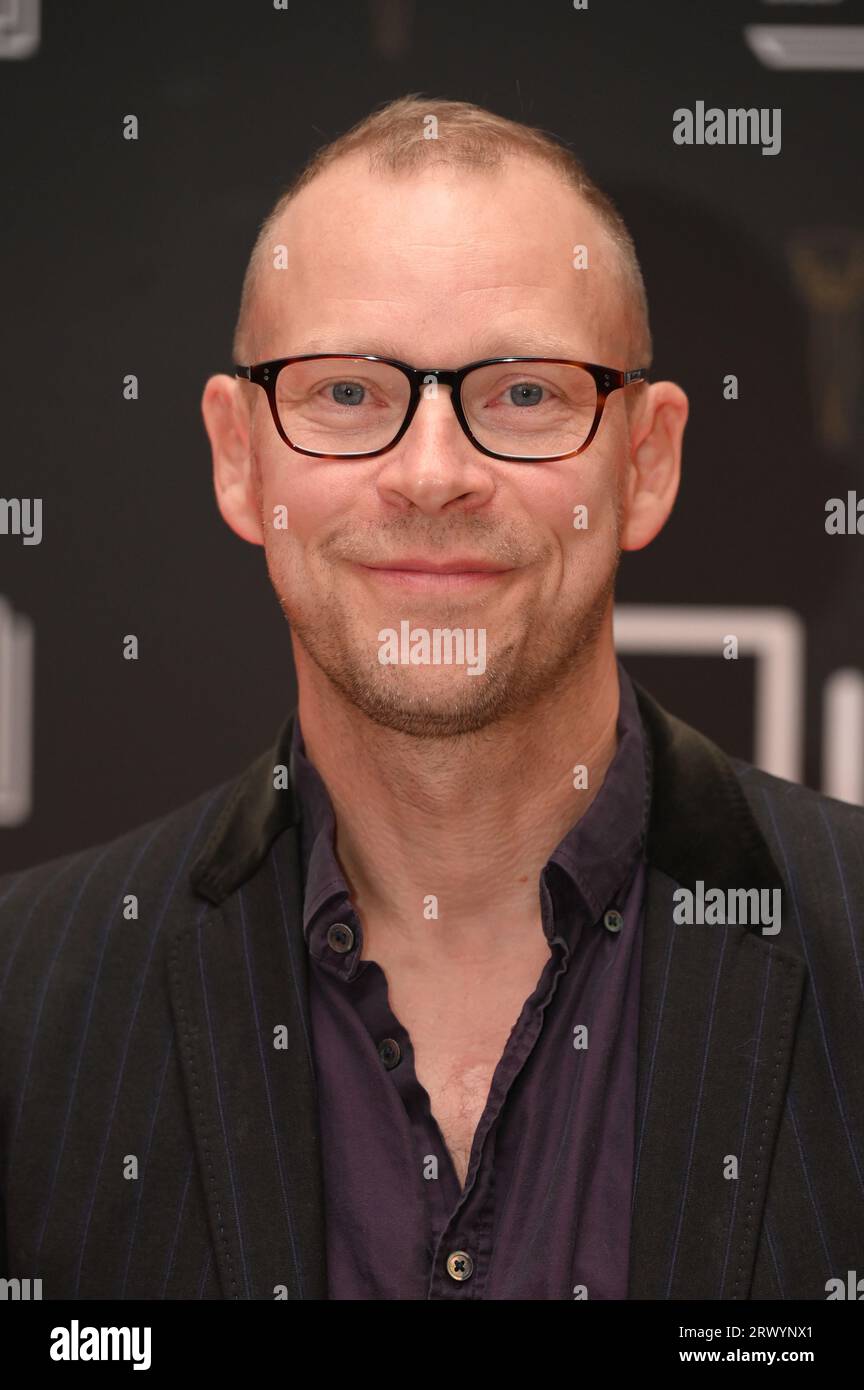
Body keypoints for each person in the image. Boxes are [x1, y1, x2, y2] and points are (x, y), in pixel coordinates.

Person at [1, 95, 862, 1302]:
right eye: (348, 393)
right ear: (239, 459)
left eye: (523, 393)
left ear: (647, 462)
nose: (432, 473)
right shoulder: (26, 1006)